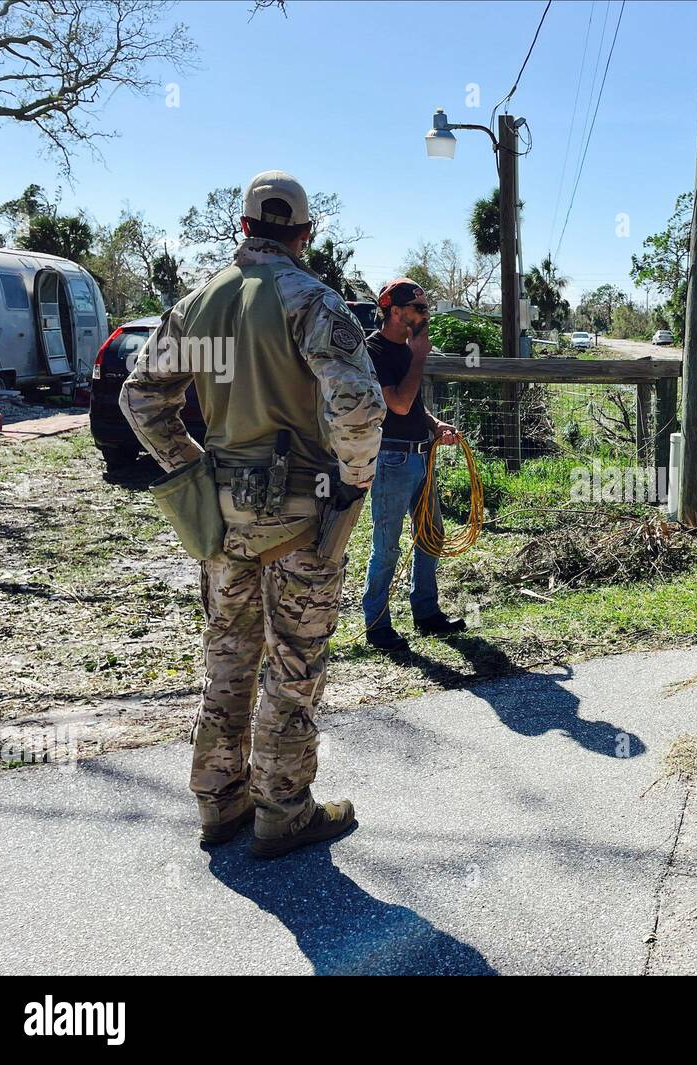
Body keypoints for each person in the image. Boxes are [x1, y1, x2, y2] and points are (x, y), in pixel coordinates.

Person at [120, 171, 386, 859]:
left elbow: (142, 397)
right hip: (302, 519)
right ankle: (283, 808)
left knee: (228, 657)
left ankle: (218, 799)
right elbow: (356, 405)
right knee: (292, 666)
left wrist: (186, 465)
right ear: (304, 233)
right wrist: (356, 480)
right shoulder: (312, 302)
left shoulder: (198, 304)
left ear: (243, 227)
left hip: (221, 519)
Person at [360, 278, 466, 653]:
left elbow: (415, 407)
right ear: (394, 311)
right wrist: (420, 354)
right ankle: (376, 623)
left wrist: (435, 426)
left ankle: (425, 612)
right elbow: (398, 405)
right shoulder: (372, 351)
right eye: (418, 309)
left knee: (430, 535)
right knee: (387, 546)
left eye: (426, 309)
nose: (424, 316)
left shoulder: (408, 349)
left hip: (421, 452)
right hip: (392, 457)